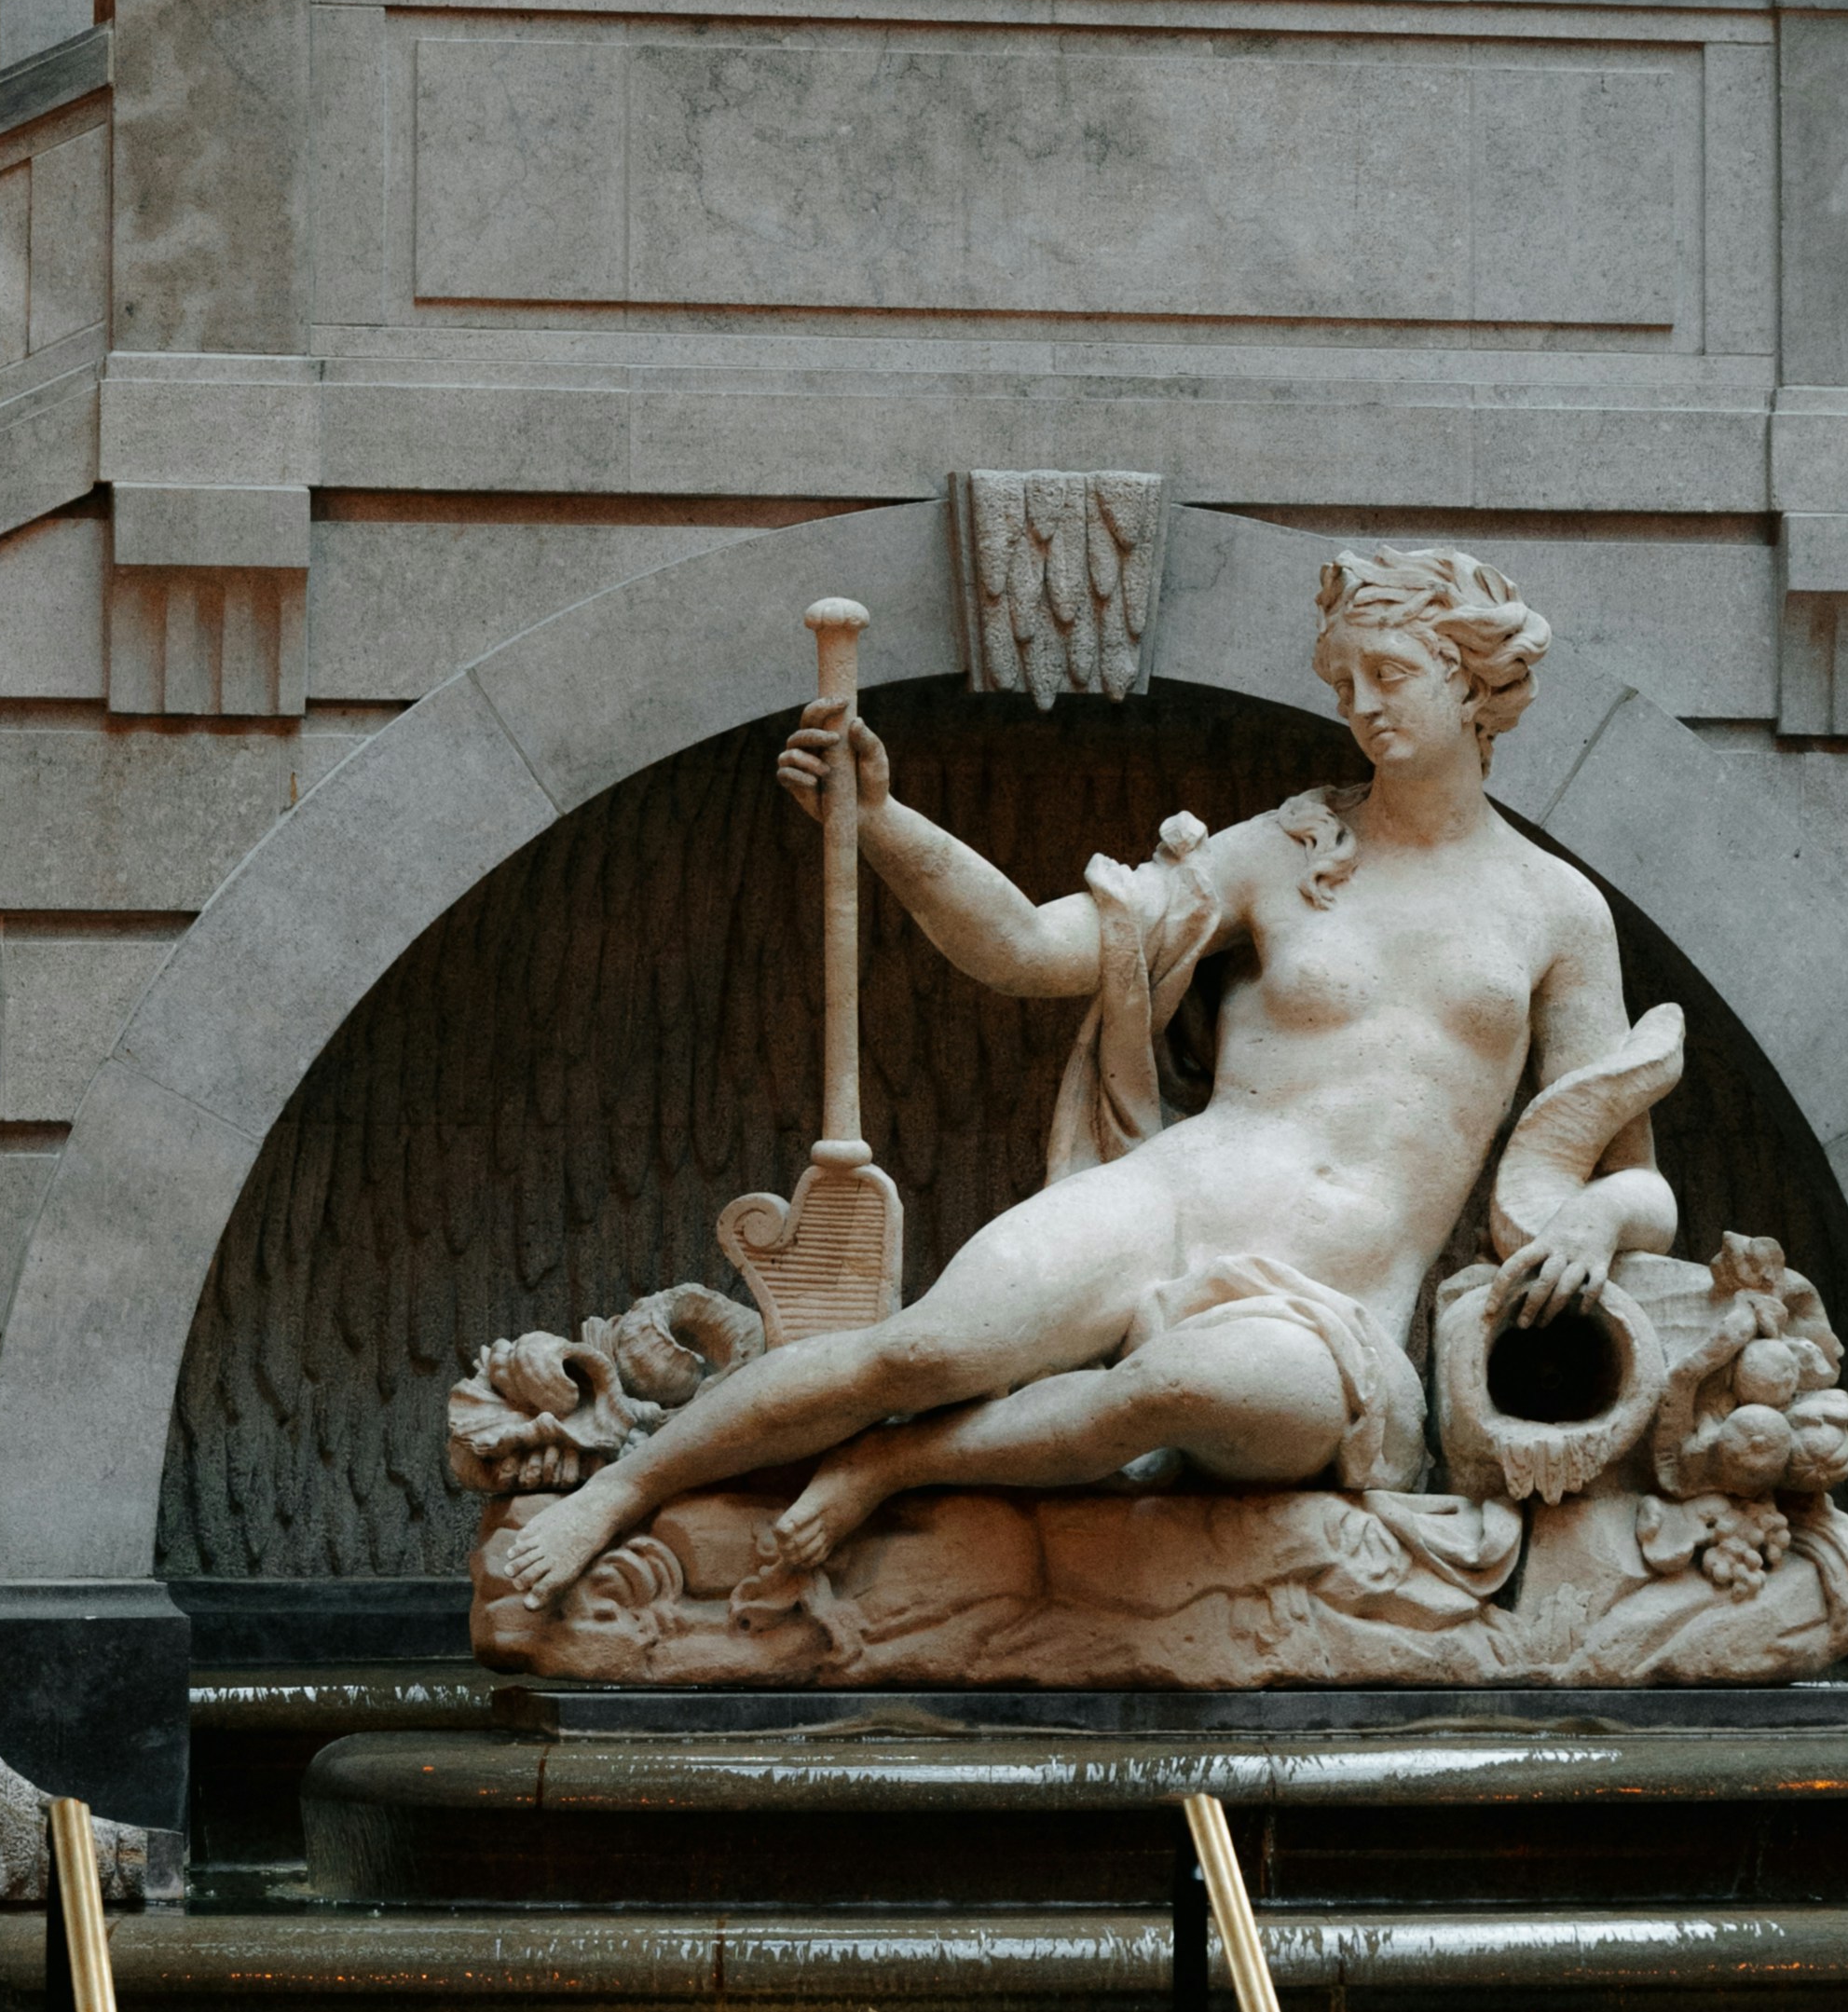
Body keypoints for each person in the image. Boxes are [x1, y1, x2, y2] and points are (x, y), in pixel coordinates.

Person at [486, 545, 1675, 1624]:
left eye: (1389, 672)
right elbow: (1033, 951)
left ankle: (898, 1464)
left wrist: (1592, 1215)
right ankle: (620, 1492)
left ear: (1472, 680)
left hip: (1328, 1307)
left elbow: (1638, 1187)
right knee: (921, 1351)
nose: (1359, 705)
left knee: (1176, 1384)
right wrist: (886, 822)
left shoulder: (1553, 910)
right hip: (1171, 1199)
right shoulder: (1285, 848)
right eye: (1341, 678)